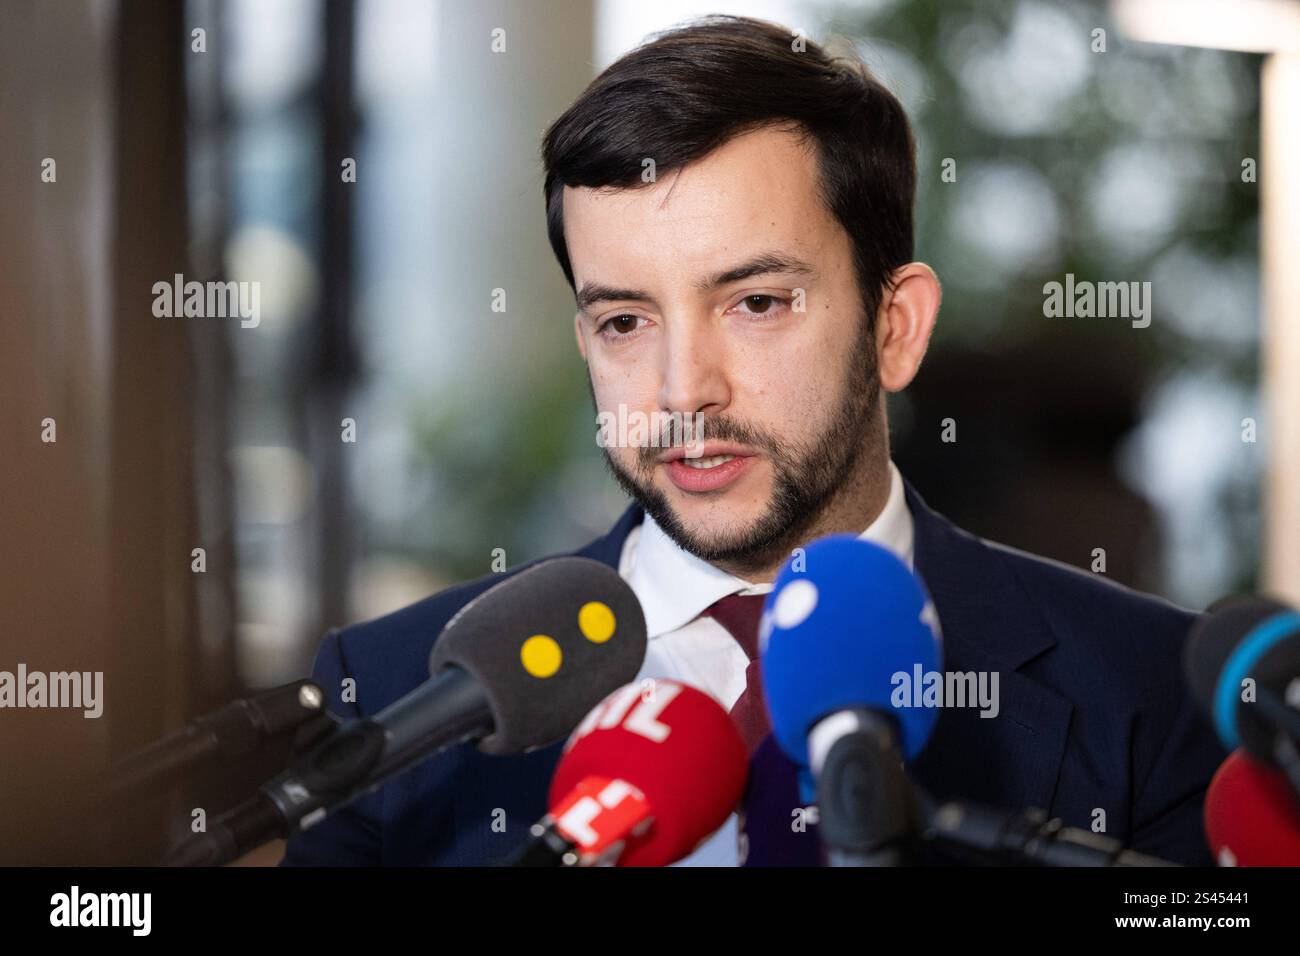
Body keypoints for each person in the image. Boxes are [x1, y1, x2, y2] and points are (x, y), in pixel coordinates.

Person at [281, 15, 1223, 867]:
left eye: (756, 303)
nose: (684, 389)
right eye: (624, 321)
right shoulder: (395, 696)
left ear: (895, 327)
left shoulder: (1151, 696)